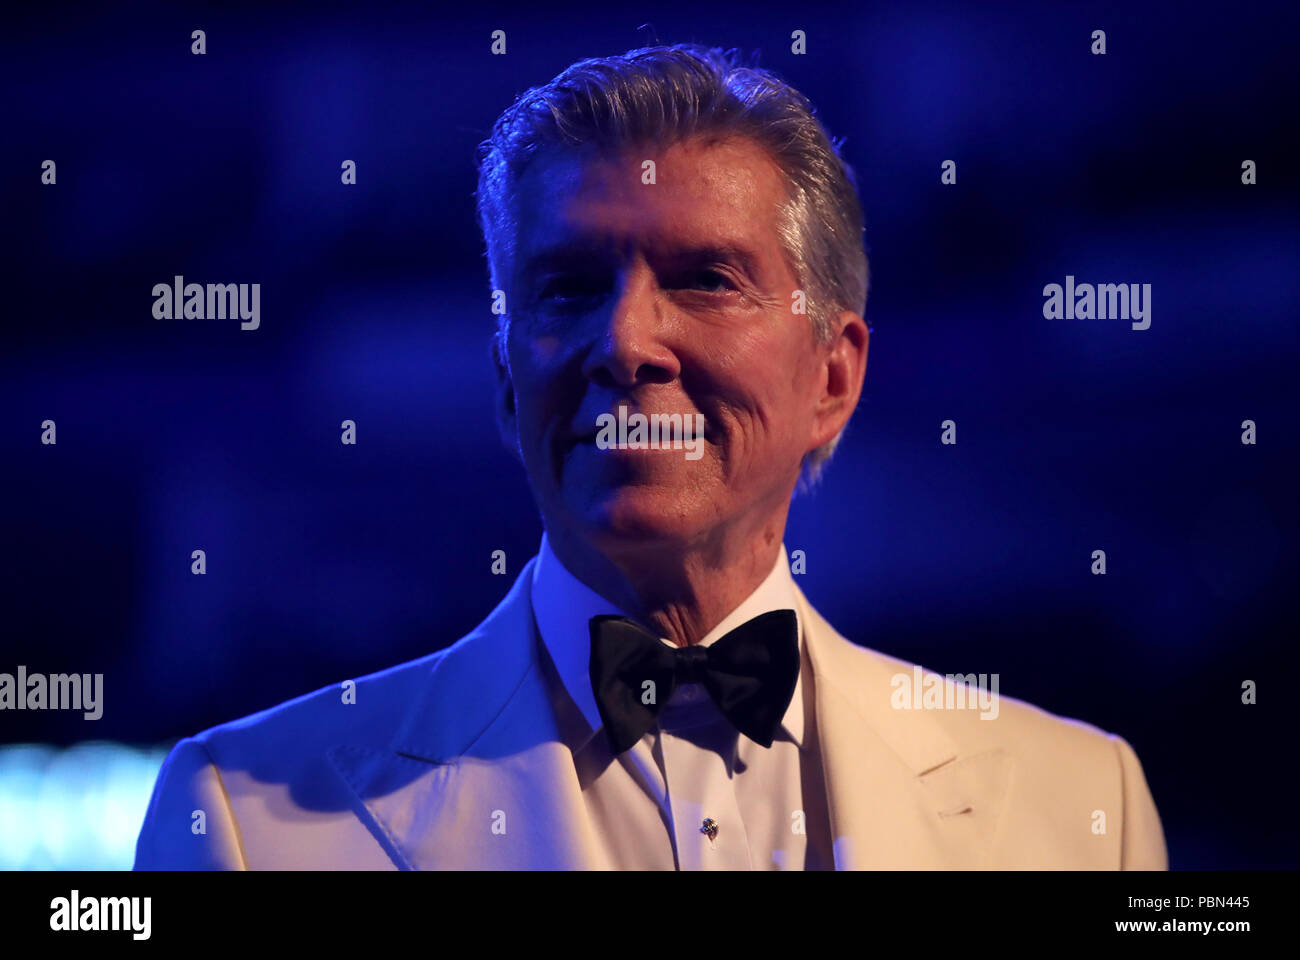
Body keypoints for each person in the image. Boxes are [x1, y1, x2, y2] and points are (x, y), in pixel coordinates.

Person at [135, 43, 1167, 870]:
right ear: (507, 381)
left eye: (706, 278)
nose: (625, 343)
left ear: (832, 379)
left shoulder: (1086, 809)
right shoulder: (243, 819)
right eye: (571, 287)